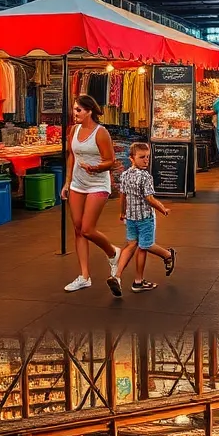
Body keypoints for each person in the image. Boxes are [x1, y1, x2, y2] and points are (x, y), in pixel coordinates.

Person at [62, 95, 122, 293]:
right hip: (77, 184)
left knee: (88, 229)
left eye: (78, 110)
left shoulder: (101, 132)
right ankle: (84, 276)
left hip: (98, 184)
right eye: (74, 109)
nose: (75, 113)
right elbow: (71, 156)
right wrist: (67, 182)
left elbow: (110, 160)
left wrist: (96, 168)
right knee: (78, 229)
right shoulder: (73, 130)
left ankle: (113, 252)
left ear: (89, 111)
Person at [109, 142, 176, 296]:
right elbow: (149, 198)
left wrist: (122, 212)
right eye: (142, 157)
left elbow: (122, 195)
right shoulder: (146, 177)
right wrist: (162, 208)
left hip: (131, 218)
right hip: (145, 218)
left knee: (131, 245)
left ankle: (117, 276)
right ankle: (164, 258)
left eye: (147, 157)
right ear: (131, 158)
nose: (146, 160)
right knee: (145, 246)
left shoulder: (125, 175)